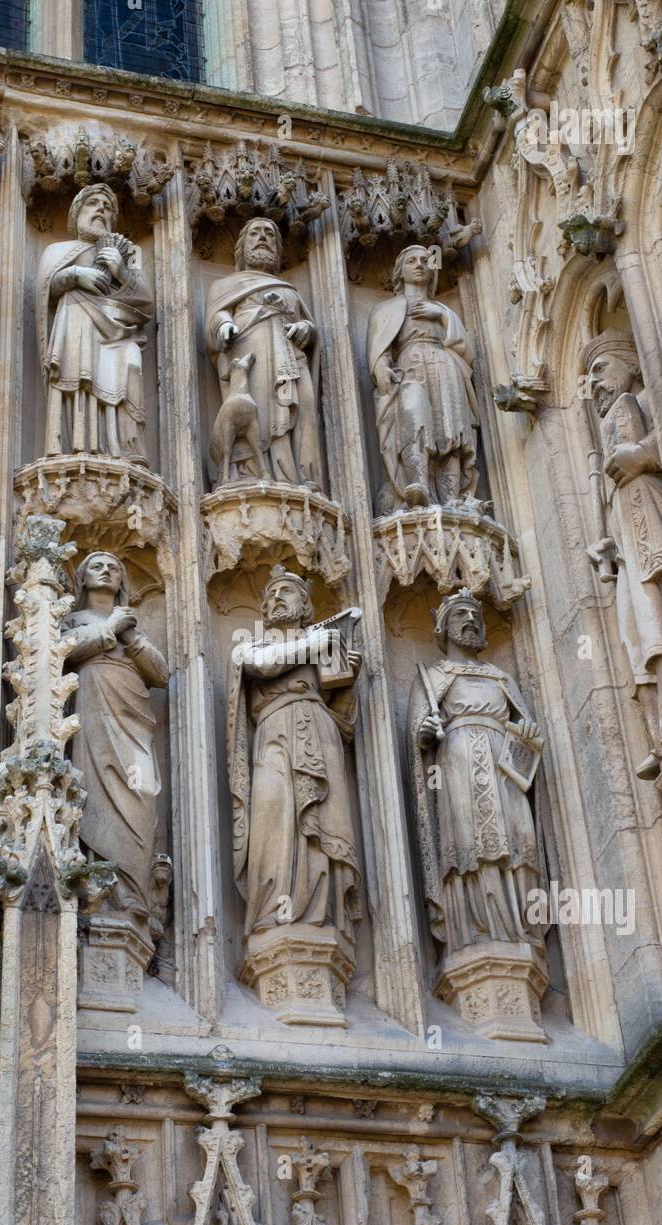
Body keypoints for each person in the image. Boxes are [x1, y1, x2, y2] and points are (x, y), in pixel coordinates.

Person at [585, 331, 662, 778]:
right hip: (630, 544)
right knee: (635, 633)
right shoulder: (609, 422)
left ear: (631, 364)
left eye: (600, 370)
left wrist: (641, 452)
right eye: (586, 378)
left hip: (658, 525)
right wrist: (608, 544)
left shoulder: (646, 396)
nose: (593, 383)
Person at [226, 566, 361, 940]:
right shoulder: (254, 645)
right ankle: (274, 915)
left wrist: (350, 677)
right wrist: (314, 644)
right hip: (274, 736)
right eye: (270, 595)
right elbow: (260, 667)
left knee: (323, 823)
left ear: (305, 605)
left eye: (286, 592)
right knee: (276, 819)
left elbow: (343, 717)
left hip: (321, 733)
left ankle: (323, 916)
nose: (276, 599)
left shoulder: (324, 646)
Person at [407, 589, 544, 954]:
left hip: (504, 764)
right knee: (472, 844)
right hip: (458, 760)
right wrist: (424, 734)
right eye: (459, 615)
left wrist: (527, 732)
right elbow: (417, 739)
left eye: (475, 615)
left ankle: (521, 931)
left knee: (519, 837)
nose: (470, 620)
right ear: (442, 627)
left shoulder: (501, 679)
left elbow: (525, 727)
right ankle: (475, 934)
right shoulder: (433, 677)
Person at [63, 551, 168, 931]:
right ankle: (105, 892)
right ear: (83, 580)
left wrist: (131, 636)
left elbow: (161, 673)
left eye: (113, 567)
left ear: (122, 581)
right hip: (94, 707)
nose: (106, 570)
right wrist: (108, 631)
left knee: (141, 799)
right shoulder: (73, 620)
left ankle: (136, 898)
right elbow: (62, 652)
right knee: (96, 791)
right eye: (96, 565)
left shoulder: (133, 628)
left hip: (133, 714)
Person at [205, 217, 323, 488]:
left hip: (291, 358)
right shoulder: (226, 286)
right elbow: (218, 313)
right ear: (241, 248)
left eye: (269, 234)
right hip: (252, 350)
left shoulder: (289, 290)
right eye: (255, 233)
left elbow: (307, 325)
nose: (263, 238)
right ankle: (252, 473)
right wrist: (223, 324)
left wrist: (306, 329)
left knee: (303, 407)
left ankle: (301, 476)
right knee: (256, 410)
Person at [37, 183, 152, 460]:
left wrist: (121, 271)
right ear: (76, 215)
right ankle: (77, 444)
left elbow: (146, 302)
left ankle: (124, 448)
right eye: (93, 204)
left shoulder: (125, 255)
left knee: (132, 359)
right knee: (79, 373)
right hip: (77, 322)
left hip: (118, 331)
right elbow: (44, 292)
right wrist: (75, 275)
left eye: (108, 207)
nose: (101, 209)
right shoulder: (58, 251)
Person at [367, 243, 478, 512]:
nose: (420, 264)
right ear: (399, 272)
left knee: (450, 428)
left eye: (425, 260)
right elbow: (380, 347)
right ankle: (418, 485)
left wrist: (441, 315)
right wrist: (380, 367)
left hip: (445, 367)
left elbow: (468, 352)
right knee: (414, 417)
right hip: (409, 369)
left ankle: (451, 496)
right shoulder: (386, 309)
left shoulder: (442, 310)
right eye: (412, 261)